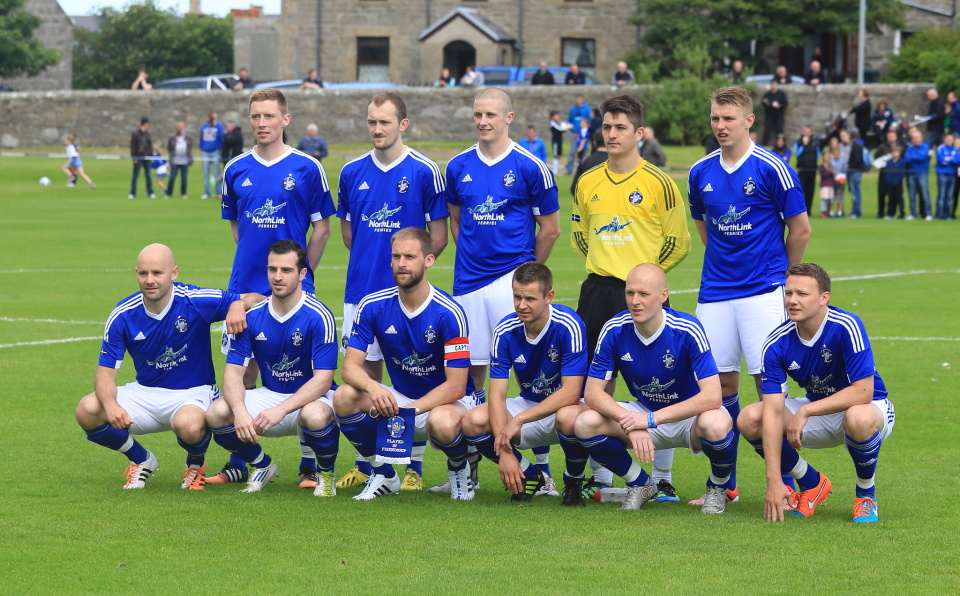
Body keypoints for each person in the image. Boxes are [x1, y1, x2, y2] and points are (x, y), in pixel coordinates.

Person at [687, 86, 811, 506]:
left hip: (762, 291)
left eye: (728, 118)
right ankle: (727, 483)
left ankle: (791, 482)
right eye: (715, 119)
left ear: (748, 121)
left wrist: (783, 277)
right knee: (717, 388)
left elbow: (801, 229)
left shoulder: (772, 168)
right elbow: (706, 230)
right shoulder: (699, 171)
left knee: (766, 388)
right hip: (715, 293)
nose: (721, 126)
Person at [213, 88, 336, 485]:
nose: (262, 124)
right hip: (243, 291)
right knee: (242, 374)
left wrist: (302, 273)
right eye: (255, 117)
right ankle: (242, 460)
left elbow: (322, 228)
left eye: (269, 116)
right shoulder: (235, 168)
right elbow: (236, 228)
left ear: (285, 119)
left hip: (294, 288)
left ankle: (309, 464)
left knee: (303, 375)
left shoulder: (306, 167)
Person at [571, 94, 691, 499]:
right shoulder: (587, 180)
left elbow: (679, 241)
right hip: (598, 290)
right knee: (594, 382)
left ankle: (662, 476)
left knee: (660, 381)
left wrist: (647, 278)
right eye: (607, 126)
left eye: (621, 127)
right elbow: (579, 236)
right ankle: (602, 476)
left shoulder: (659, 183)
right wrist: (609, 264)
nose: (612, 134)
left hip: (644, 292)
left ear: (638, 132)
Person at [444, 87, 561, 487]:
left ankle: (541, 469)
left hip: (510, 282)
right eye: (477, 115)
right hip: (468, 285)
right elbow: (456, 221)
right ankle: (472, 467)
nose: (482, 122)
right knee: (472, 374)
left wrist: (526, 273)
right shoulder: (458, 166)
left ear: (508, 117)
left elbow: (551, 228)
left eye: (490, 115)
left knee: (528, 370)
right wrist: (473, 259)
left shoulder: (531, 166)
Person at [335, 91, 450, 491]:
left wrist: (407, 273)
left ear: (402, 124)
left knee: (413, 377)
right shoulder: (350, 172)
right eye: (371, 122)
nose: (377, 129)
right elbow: (350, 234)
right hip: (362, 293)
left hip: (410, 300)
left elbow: (438, 237)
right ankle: (371, 465)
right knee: (363, 384)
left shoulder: (424, 171)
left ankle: (414, 466)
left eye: (384, 122)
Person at [74, 244, 252, 490]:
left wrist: (237, 305)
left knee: (189, 426)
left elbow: (257, 298)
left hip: (193, 393)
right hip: (145, 392)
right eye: (143, 273)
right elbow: (105, 374)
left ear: (174, 273)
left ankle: (195, 466)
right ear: (136, 273)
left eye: (157, 273)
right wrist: (111, 405)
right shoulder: (123, 315)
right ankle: (142, 460)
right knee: (87, 409)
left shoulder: (195, 300)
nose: (149, 280)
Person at [573, 264, 737, 514]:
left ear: (663, 296)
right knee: (585, 422)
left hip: (689, 418)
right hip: (642, 412)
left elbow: (713, 396)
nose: (635, 302)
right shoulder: (614, 329)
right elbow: (593, 392)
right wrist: (630, 421)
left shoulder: (687, 329)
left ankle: (717, 488)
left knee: (716, 423)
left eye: (644, 294)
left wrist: (648, 420)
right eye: (630, 293)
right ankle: (640, 484)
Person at [739, 263, 896, 523]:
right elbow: (773, 411)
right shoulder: (776, 342)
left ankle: (866, 495)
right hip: (821, 410)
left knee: (858, 418)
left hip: (870, 409)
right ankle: (811, 482)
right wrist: (774, 480)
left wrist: (806, 410)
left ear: (824, 298)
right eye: (788, 293)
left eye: (802, 294)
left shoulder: (846, 325)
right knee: (751, 417)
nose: (792, 300)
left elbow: (864, 391)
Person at [334, 227, 481, 500]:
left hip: (448, 401)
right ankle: (384, 474)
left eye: (410, 257)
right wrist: (375, 389)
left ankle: (462, 471)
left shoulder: (449, 312)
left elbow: (457, 386)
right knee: (344, 396)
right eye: (396, 256)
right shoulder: (371, 306)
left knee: (443, 422)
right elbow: (350, 368)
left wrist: (408, 411)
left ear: (428, 260)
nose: (402, 264)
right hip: (402, 397)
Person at [207, 240, 340, 494]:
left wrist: (281, 410)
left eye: (286, 270)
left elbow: (323, 380)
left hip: (314, 399)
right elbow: (233, 374)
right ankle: (262, 465)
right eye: (272, 269)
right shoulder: (253, 316)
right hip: (271, 397)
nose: (277, 277)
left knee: (314, 415)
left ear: (302, 274)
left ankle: (326, 475)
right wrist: (240, 411)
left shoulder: (319, 315)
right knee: (217, 411)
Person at [461, 262, 592, 504]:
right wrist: (505, 454)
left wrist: (519, 420)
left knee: (569, 417)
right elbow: (497, 396)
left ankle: (573, 481)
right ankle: (531, 475)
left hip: (568, 409)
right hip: (529, 403)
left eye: (530, 298)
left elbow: (571, 392)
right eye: (517, 296)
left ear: (548, 296)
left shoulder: (568, 324)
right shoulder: (505, 330)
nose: (522, 305)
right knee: (472, 421)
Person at [873, 128, 903, 218]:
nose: (891, 138)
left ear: (896, 137)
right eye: (889, 136)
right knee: (881, 194)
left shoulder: (899, 147)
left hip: (895, 175)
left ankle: (892, 212)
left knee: (894, 196)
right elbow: (876, 158)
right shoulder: (882, 147)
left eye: (893, 136)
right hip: (883, 174)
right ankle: (880, 213)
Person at [904, 126, 932, 220]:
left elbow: (922, 158)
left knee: (924, 195)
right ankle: (913, 214)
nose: (915, 140)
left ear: (921, 138)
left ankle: (928, 213)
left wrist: (913, 157)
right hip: (912, 174)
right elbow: (906, 159)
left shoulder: (925, 146)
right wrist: (915, 157)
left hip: (922, 173)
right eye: (913, 138)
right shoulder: (911, 147)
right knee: (912, 195)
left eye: (917, 138)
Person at [570, 129, 607, 196]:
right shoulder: (616, 162)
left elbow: (574, 188)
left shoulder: (585, 162)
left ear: (594, 143)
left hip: (588, 201)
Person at [793, 125, 819, 214]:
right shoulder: (798, 142)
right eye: (805, 131)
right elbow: (797, 153)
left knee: (810, 191)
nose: (806, 133)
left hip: (812, 170)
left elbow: (817, 155)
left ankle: (809, 211)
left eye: (808, 131)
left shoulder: (815, 142)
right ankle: (801, 211)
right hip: (802, 169)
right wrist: (804, 145)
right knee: (801, 190)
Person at [199, 112, 224, 200]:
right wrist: (201, 147)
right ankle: (207, 193)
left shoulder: (219, 126)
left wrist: (218, 148)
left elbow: (221, 138)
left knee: (216, 172)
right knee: (206, 173)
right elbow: (201, 138)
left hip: (215, 152)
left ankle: (219, 192)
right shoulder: (204, 127)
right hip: (205, 152)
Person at [166, 121, 193, 199]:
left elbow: (190, 147)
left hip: (184, 161)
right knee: (172, 177)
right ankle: (169, 193)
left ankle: (183, 193)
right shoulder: (172, 137)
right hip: (175, 161)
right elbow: (169, 148)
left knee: (184, 178)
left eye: (182, 126)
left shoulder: (188, 137)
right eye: (179, 126)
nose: (180, 128)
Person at [129, 117, 155, 199]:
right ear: (144, 124)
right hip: (138, 157)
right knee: (135, 176)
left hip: (146, 157)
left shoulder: (147, 133)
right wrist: (134, 157)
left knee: (148, 175)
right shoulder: (136, 133)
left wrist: (151, 156)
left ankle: (150, 192)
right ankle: (132, 193)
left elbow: (149, 145)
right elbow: (133, 146)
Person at [565, 94, 592, 174]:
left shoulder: (587, 109)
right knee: (572, 152)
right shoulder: (573, 109)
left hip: (583, 135)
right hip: (574, 134)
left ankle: (583, 170)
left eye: (579, 99)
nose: (578, 101)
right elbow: (569, 121)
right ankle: (569, 170)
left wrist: (582, 132)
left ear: (582, 99)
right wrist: (572, 130)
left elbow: (589, 122)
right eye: (576, 99)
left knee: (583, 153)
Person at [935, 132, 959, 219]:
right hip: (942, 175)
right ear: (944, 139)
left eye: (951, 139)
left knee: (949, 197)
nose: (950, 141)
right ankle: (938, 215)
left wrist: (949, 159)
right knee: (941, 196)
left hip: (952, 175)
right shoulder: (940, 148)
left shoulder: (955, 150)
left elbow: (957, 161)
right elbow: (941, 161)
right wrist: (951, 160)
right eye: (948, 139)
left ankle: (947, 215)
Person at [844, 129, 867, 218]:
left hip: (855, 171)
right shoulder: (858, 145)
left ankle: (856, 211)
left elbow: (857, 160)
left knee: (855, 192)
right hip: (855, 171)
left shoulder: (856, 146)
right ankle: (855, 211)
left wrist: (849, 167)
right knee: (855, 191)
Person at [880, 145, 906, 219]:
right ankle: (890, 213)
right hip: (890, 184)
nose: (895, 154)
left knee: (900, 199)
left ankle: (902, 213)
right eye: (894, 152)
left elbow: (902, 173)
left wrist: (897, 181)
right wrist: (889, 181)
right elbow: (886, 173)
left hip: (898, 184)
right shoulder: (889, 162)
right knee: (891, 200)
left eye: (897, 152)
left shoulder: (902, 162)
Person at [548, 110, 570, 175]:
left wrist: (566, 127)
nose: (558, 117)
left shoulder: (558, 122)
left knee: (558, 155)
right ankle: (555, 171)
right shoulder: (552, 123)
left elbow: (562, 128)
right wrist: (567, 128)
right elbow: (560, 129)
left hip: (559, 141)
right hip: (555, 141)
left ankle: (556, 170)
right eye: (556, 116)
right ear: (552, 117)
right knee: (556, 155)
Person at [819, 151, 836, 218]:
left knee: (830, 198)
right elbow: (823, 174)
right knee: (824, 198)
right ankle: (823, 211)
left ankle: (830, 211)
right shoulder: (822, 166)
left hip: (830, 184)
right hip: (824, 184)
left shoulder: (831, 165)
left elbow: (833, 174)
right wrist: (830, 172)